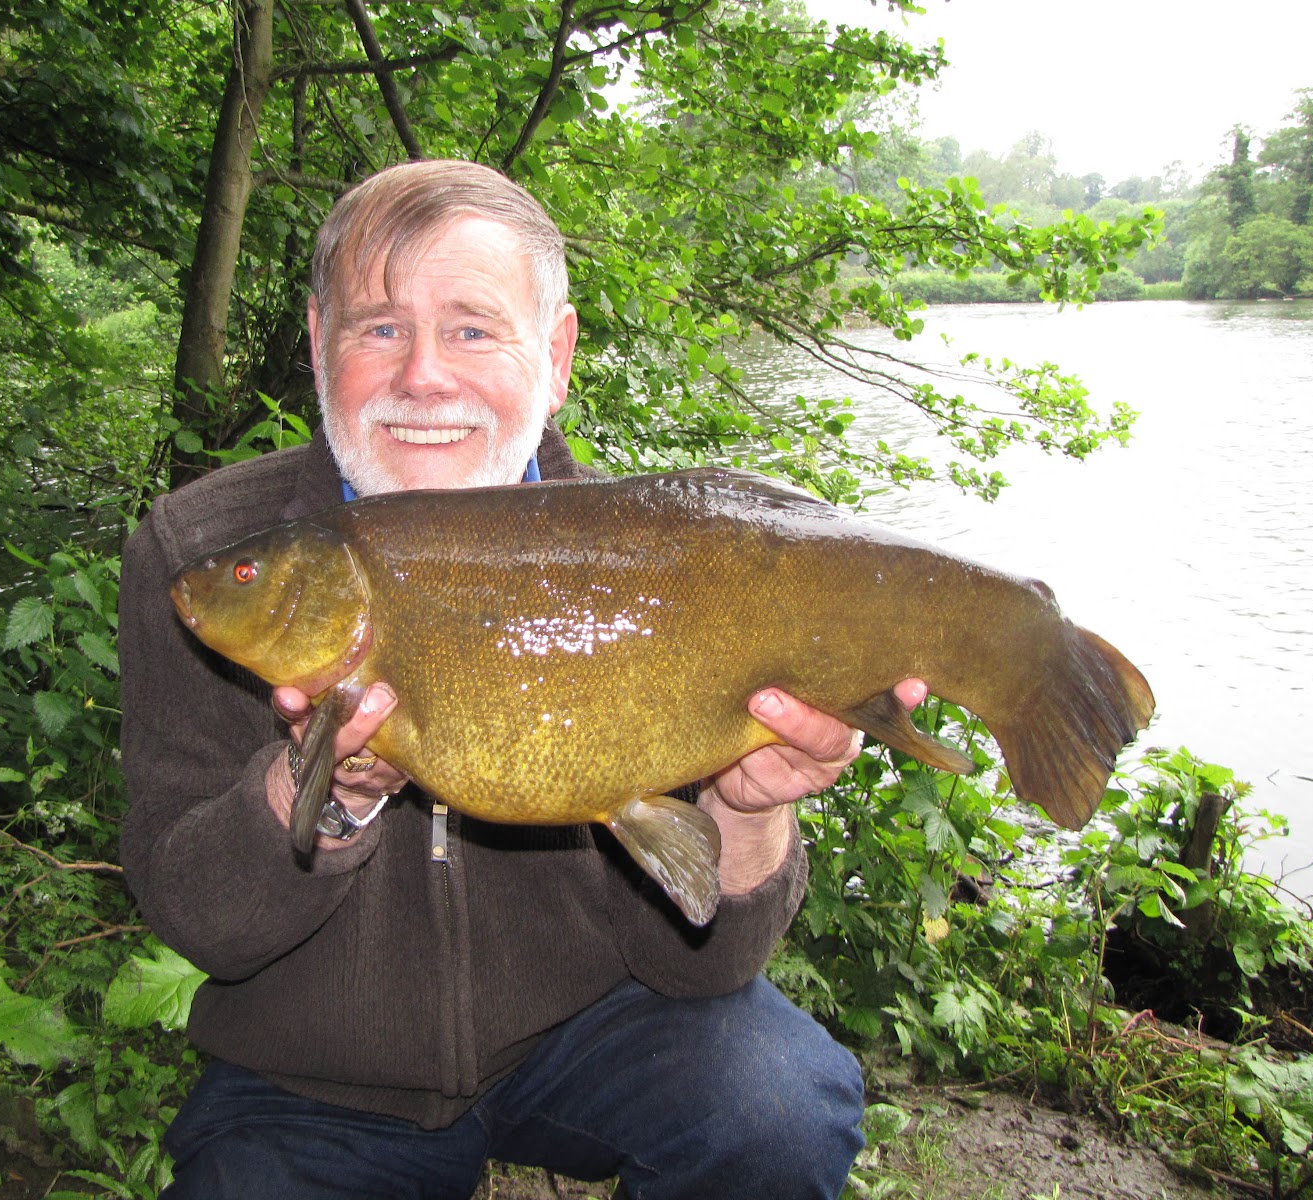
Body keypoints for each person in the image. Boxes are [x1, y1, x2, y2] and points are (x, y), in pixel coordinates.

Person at [118, 159, 926, 1199]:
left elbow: (702, 967)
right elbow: (196, 917)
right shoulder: (213, 552)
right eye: (378, 328)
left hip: (593, 1026)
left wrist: (746, 815)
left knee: (776, 1108)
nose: (423, 377)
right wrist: (316, 797)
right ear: (319, 343)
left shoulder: (670, 557)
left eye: (470, 328)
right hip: (313, 1073)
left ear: (554, 356)